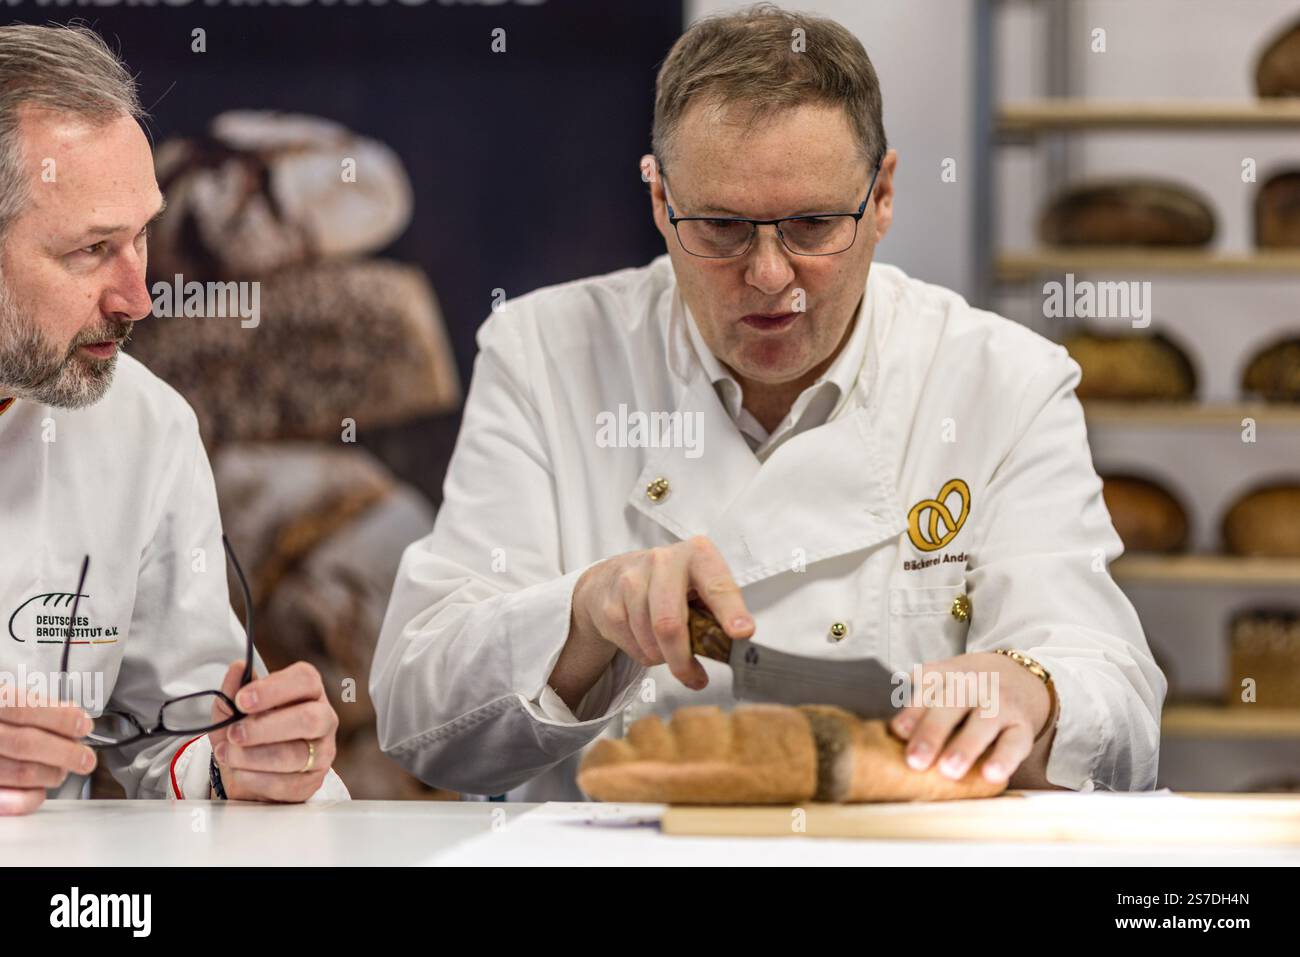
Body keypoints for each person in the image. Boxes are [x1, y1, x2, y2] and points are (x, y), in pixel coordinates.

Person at [372, 4, 1165, 801]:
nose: (769, 276)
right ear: (659, 201)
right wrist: (585, 613)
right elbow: (417, 709)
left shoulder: (1003, 381)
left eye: (814, 224)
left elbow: (1120, 705)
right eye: (719, 227)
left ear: (882, 195)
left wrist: (1035, 687)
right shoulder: (545, 352)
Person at [0, 23, 346, 815]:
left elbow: (178, 725)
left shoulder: (144, 425)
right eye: (91, 250)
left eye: (142, 236)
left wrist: (243, 758)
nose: (138, 299)